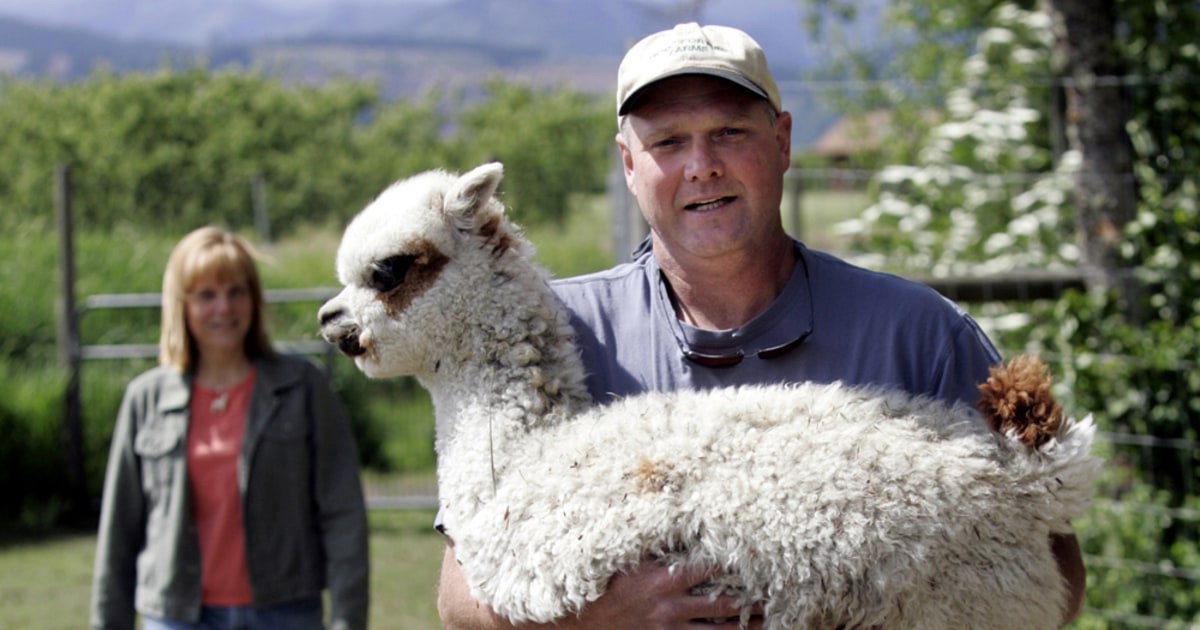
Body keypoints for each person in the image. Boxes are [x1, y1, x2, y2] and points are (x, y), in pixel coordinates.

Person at [436, 22, 1086, 629]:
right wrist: (593, 617)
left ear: (782, 142)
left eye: (729, 132)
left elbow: (1052, 571)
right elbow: (459, 590)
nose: (702, 165)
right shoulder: (556, 338)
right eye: (668, 142)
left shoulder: (915, 335)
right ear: (630, 164)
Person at [90, 226, 370, 630]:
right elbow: (119, 532)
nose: (224, 307)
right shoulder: (145, 399)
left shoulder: (302, 387)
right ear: (181, 305)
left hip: (285, 613)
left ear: (254, 299)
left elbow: (343, 513)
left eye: (236, 291)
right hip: (177, 616)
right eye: (207, 295)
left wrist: (348, 619)